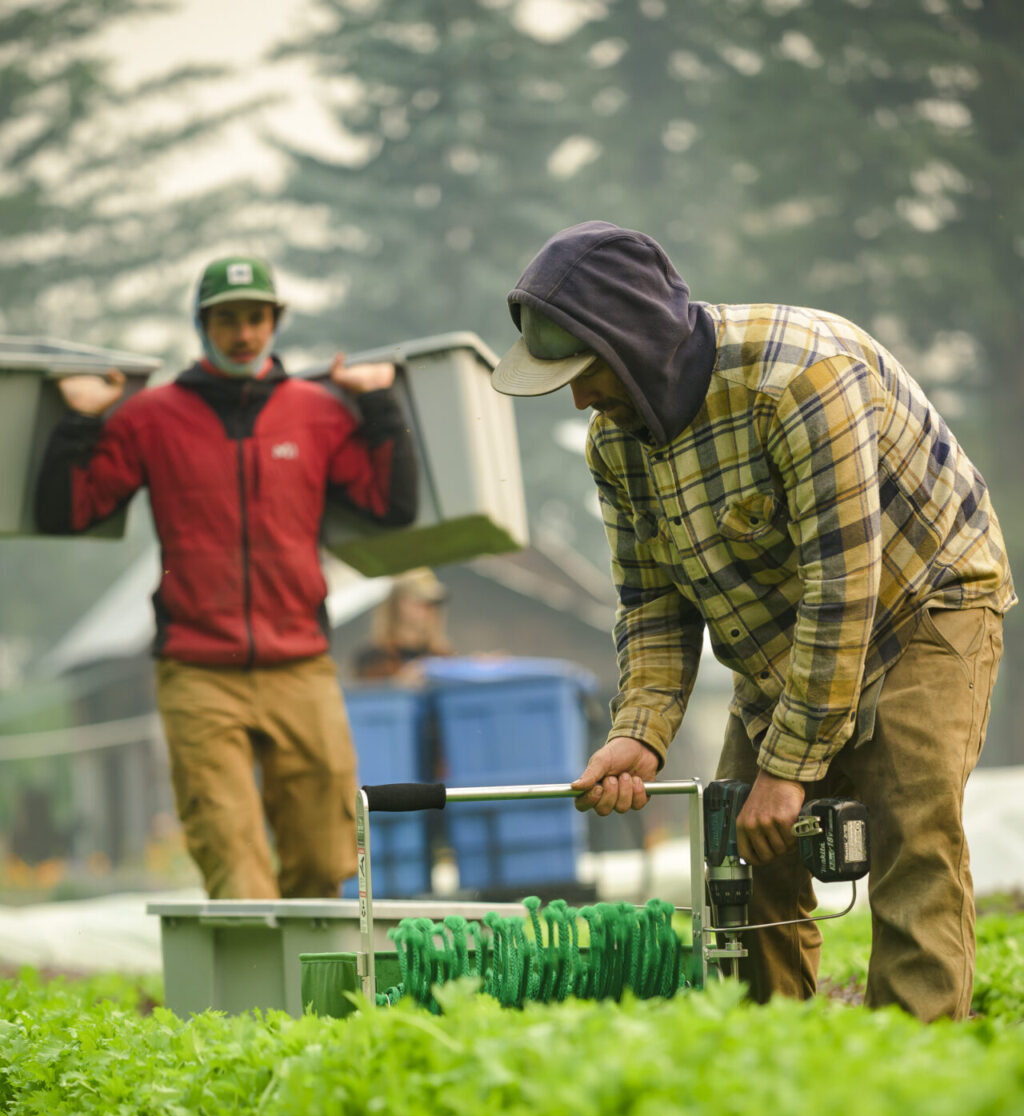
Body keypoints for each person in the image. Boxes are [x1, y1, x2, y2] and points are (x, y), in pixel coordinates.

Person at [491, 220, 1015, 1022]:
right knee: (741, 847)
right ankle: (774, 1054)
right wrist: (641, 729)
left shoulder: (801, 378)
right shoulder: (617, 445)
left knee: (911, 832)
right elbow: (653, 603)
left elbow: (843, 586)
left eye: (586, 371)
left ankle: (920, 1064)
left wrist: (791, 770)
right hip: (781, 634)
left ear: (636, 344)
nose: (578, 396)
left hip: (923, 600)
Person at [35, 254, 417, 900]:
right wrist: (78, 419)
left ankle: (314, 1002)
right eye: (228, 319)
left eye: (256, 317)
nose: (243, 332)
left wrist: (379, 403)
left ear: (275, 321)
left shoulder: (318, 413)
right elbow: (69, 510)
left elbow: (391, 504)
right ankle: (251, 1004)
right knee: (235, 867)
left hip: (301, 662)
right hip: (198, 669)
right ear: (203, 324)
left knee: (327, 858)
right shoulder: (152, 418)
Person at [354, 567, 454, 682]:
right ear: (399, 603)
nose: (429, 610)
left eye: (433, 604)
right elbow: (367, 696)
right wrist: (399, 682)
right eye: (421, 602)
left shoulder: (443, 656)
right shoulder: (374, 658)